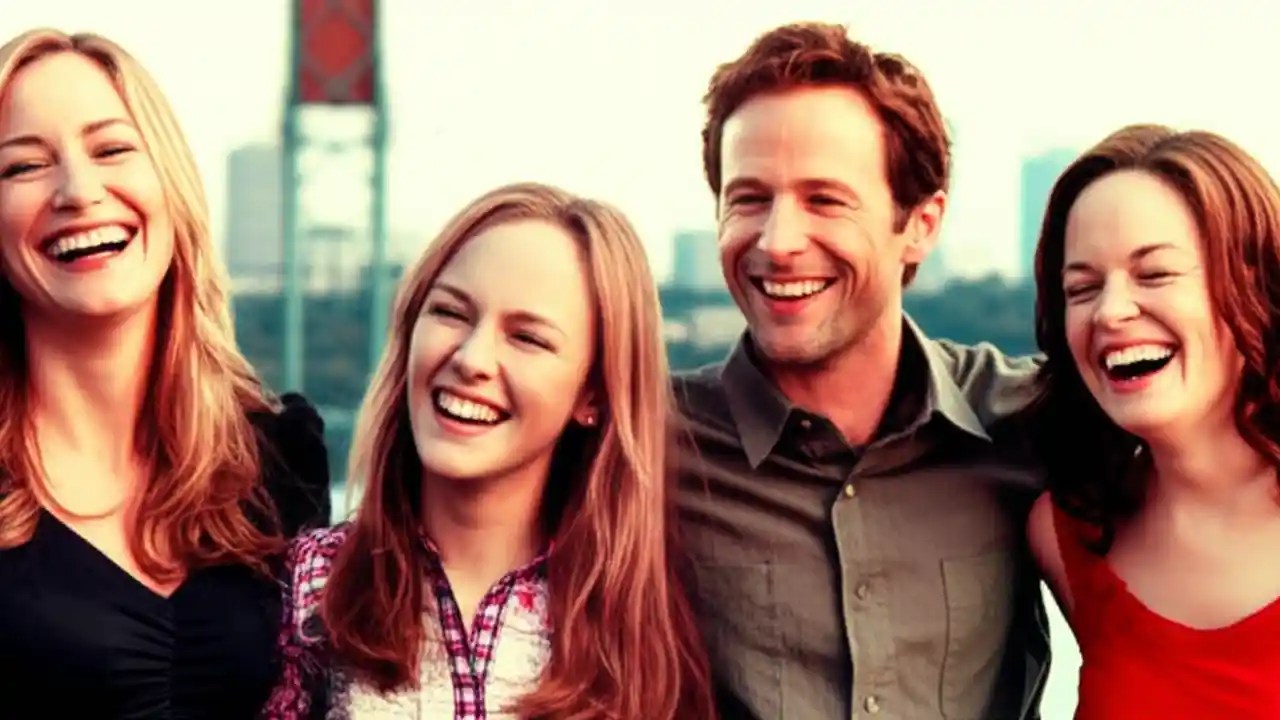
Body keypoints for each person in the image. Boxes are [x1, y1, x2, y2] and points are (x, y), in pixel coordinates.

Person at [673, 22, 1050, 719]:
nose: (778, 242)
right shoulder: (642, 447)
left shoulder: (1029, 421)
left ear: (921, 223)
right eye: (749, 198)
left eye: (826, 200)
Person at [264, 182, 716, 719]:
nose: (472, 358)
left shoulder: (647, 628)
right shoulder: (305, 585)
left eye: (527, 338)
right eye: (451, 313)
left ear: (593, 393)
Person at [0, 29, 331, 719]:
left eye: (113, 149)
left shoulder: (280, 459)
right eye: (22, 167)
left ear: (171, 183)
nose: (78, 190)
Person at [1025, 124, 1280, 718]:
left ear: (1256, 285)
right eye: (1082, 287)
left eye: (1156, 274)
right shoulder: (1067, 537)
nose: (1111, 311)